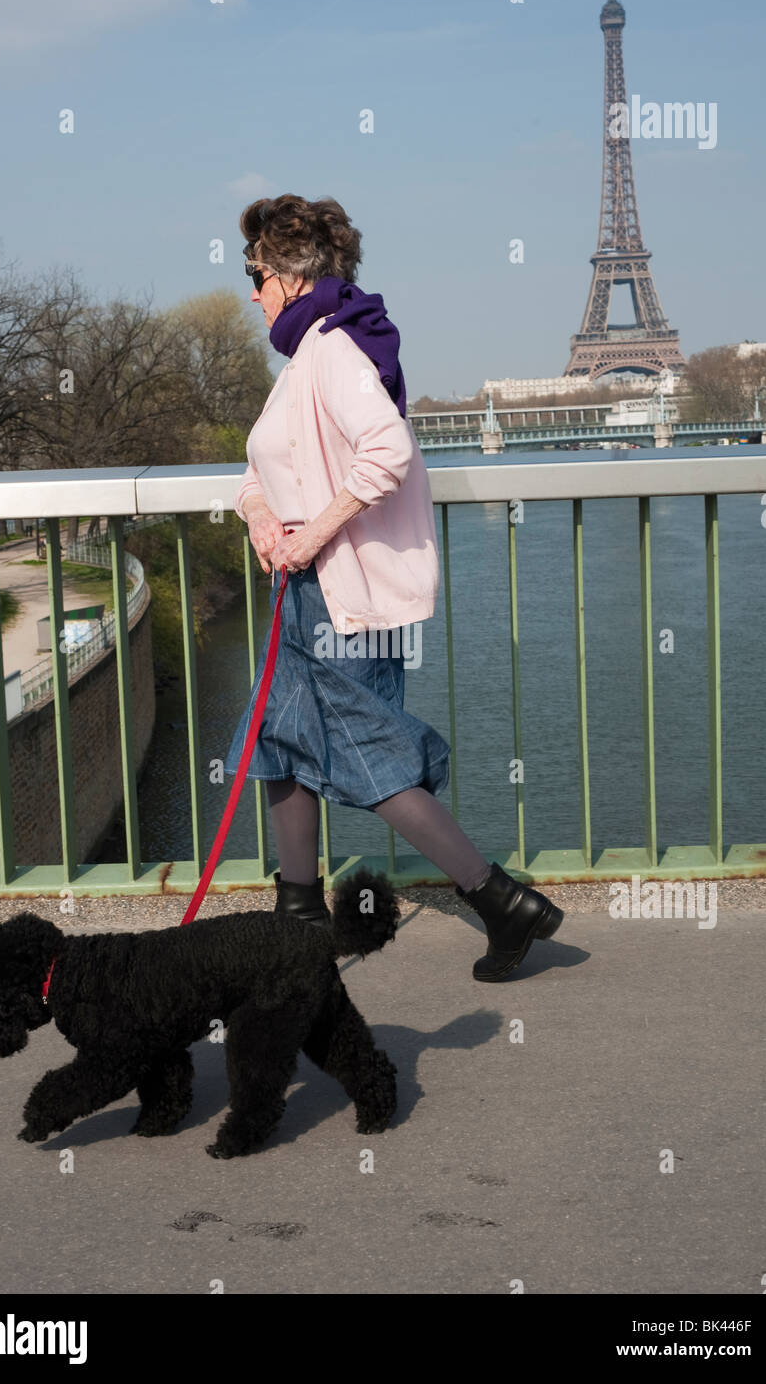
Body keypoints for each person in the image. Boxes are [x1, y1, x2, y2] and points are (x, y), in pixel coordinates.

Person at [224, 194, 563, 981]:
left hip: (343, 594)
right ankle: (298, 913)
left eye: (257, 274)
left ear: (291, 274)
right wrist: (260, 520)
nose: (251, 291)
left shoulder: (332, 350)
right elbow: (260, 470)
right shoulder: (306, 355)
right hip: (306, 591)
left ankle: (499, 902)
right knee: (280, 743)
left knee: (366, 759)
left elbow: (385, 452)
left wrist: (309, 533)